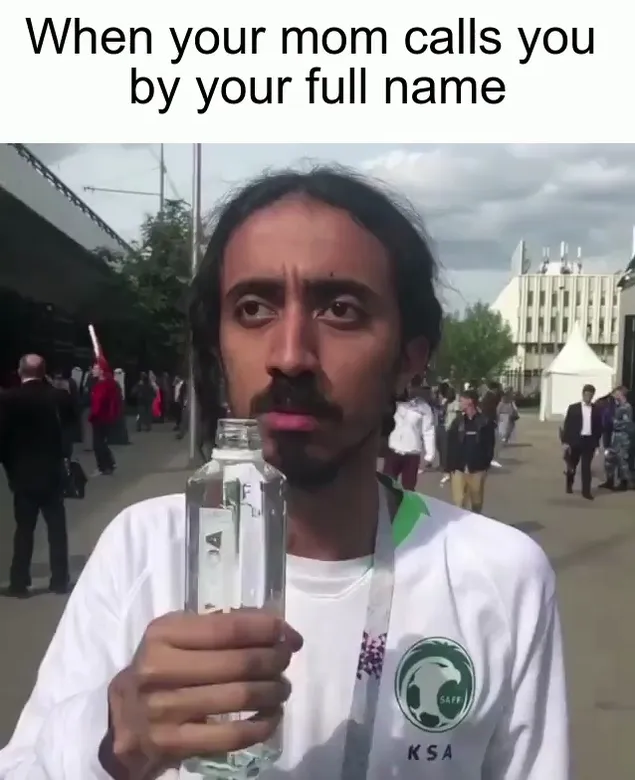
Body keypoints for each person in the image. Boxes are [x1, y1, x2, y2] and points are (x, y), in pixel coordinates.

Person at [0, 167, 568, 780]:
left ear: (411, 359)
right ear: (219, 350)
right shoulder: (143, 547)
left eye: (341, 310)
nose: (290, 354)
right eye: (253, 307)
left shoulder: (501, 576)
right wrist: (114, 745)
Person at [0, 354, 72, 596]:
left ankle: (19, 582)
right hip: (53, 472)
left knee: (24, 530)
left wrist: (10, 467)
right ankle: (60, 580)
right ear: (44, 372)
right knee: (57, 529)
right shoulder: (59, 397)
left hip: (22, 474)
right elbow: (71, 428)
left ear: (20, 371)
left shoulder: (8, 399)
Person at [445, 388, 496, 513]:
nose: (460, 404)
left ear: (470, 402)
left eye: (462, 401)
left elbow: (490, 444)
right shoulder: (457, 422)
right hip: (459, 469)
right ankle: (461, 529)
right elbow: (450, 444)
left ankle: (475, 528)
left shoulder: (485, 422)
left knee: (476, 503)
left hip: (477, 469)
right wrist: (448, 467)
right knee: (459, 502)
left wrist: (485, 463)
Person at [383, 375, 436, 490]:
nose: (410, 389)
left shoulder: (424, 408)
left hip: (412, 453)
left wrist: (429, 455)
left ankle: (406, 507)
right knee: (386, 486)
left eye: (413, 386)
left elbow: (428, 431)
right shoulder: (393, 403)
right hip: (393, 450)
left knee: (408, 489)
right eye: (408, 385)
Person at [561, 383, 603, 500]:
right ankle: (569, 484)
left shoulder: (596, 410)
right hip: (575, 440)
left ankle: (586, 491)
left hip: (589, 442)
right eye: (586, 394)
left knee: (586, 467)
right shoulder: (573, 408)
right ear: (583, 394)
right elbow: (567, 425)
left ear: (593, 395)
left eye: (590, 395)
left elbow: (599, 427)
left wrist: (596, 442)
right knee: (572, 465)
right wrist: (565, 442)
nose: (588, 397)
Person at [88, 358, 120, 476]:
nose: (93, 370)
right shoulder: (108, 383)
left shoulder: (102, 385)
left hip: (101, 418)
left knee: (98, 443)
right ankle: (109, 464)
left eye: (95, 368)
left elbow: (98, 403)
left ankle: (103, 467)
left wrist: (93, 415)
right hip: (106, 417)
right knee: (101, 442)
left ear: (101, 370)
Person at [603, 386, 633, 491]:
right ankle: (609, 480)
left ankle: (624, 482)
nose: (614, 395)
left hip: (622, 437)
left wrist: (613, 422)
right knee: (609, 458)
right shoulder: (617, 406)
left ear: (621, 394)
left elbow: (626, 423)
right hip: (614, 437)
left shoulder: (626, 407)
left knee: (621, 460)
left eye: (616, 393)